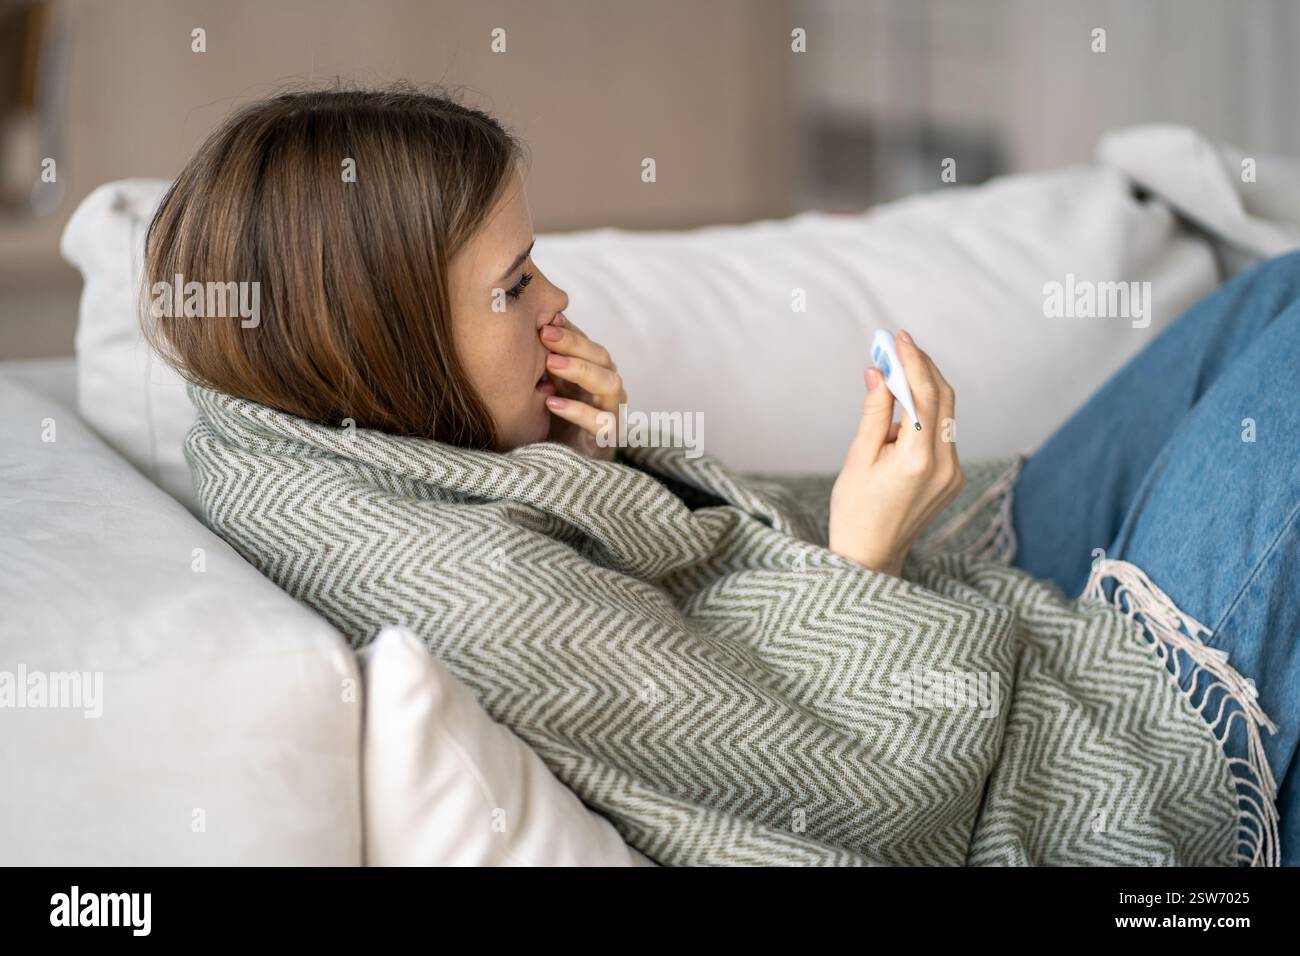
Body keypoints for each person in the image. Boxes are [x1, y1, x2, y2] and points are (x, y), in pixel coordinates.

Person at [143, 85, 1291, 865]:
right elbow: (878, 798)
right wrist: (862, 557)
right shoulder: (472, 591)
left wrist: (581, 462)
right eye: (515, 283)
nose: (556, 303)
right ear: (385, 346)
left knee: (1274, 294)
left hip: (986, 594)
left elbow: (659, 599)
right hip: (1047, 745)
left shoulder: (336, 448)